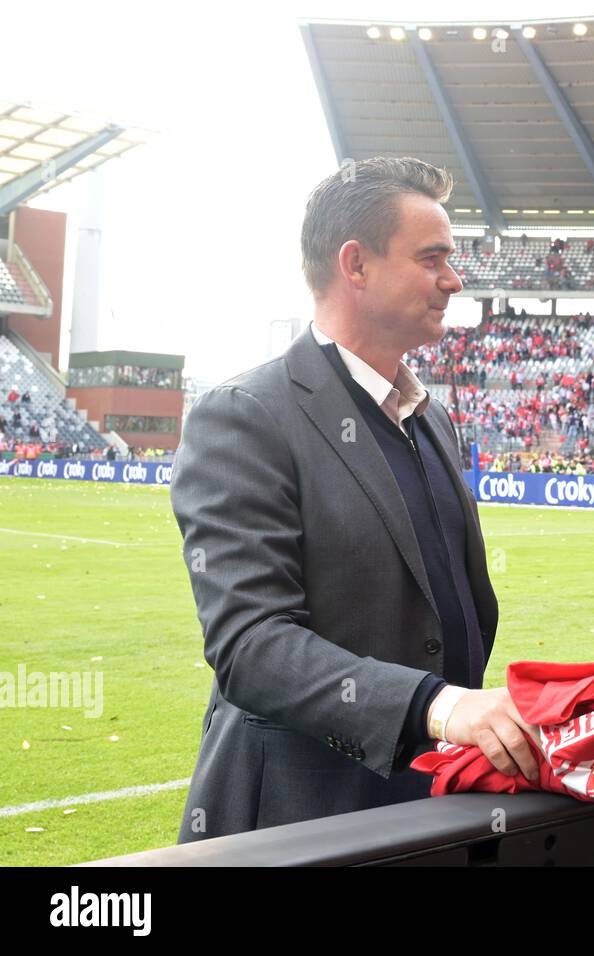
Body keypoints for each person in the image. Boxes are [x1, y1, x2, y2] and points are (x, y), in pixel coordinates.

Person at [170, 158, 537, 843]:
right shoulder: (247, 413)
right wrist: (435, 706)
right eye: (433, 259)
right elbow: (250, 646)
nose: (454, 280)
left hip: (431, 807)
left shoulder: (432, 417)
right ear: (356, 266)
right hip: (298, 818)